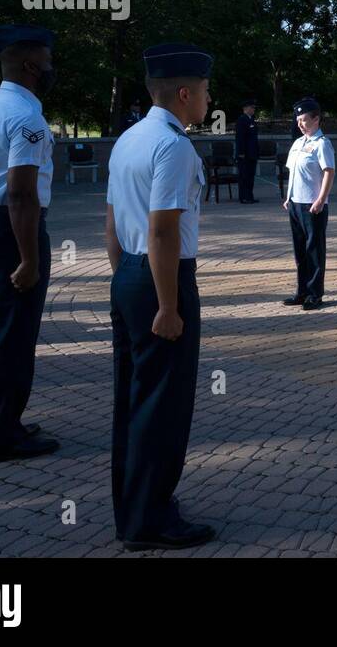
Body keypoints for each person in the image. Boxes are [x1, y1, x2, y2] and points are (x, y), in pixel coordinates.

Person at [105, 43, 215, 551]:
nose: (210, 98)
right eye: (207, 90)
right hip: (161, 279)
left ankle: (135, 505)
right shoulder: (173, 146)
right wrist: (168, 306)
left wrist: (123, 277)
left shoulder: (129, 138)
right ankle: (150, 520)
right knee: (162, 406)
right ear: (185, 93)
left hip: (130, 273)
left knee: (134, 397)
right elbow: (164, 230)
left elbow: (111, 221)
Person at [0, 25, 60, 463]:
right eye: (47, 62)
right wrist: (29, 258)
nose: (50, 69)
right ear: (30, 66)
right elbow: (21, 193)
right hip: (11, 229)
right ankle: (0, 437)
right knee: (12, 336)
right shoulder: (26, 117)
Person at [283, 98, 335, 310]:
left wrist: (321, 199)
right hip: (296, 204)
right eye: (298, 120)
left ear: (316, 119)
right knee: (300, 251)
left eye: (304, 120)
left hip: (312, 205)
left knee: (314, 250)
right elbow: (293, 173)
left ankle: (315, 294)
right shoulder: (298, 143)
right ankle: (302, 291)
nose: (300, 124)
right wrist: (288, 197)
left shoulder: (322, 144)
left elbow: (328, 172)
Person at [235, 99, 259, 204]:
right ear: (245, 109)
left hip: (252, 153)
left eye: (254, 108)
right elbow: (240, 138)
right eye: (251, 107)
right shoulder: (242, 120)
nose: (253, 109)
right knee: (244, 176)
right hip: (244, 154)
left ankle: (250, 196)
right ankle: (243, 197)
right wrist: (241, 153)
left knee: (250, 176)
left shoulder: (251, 119)